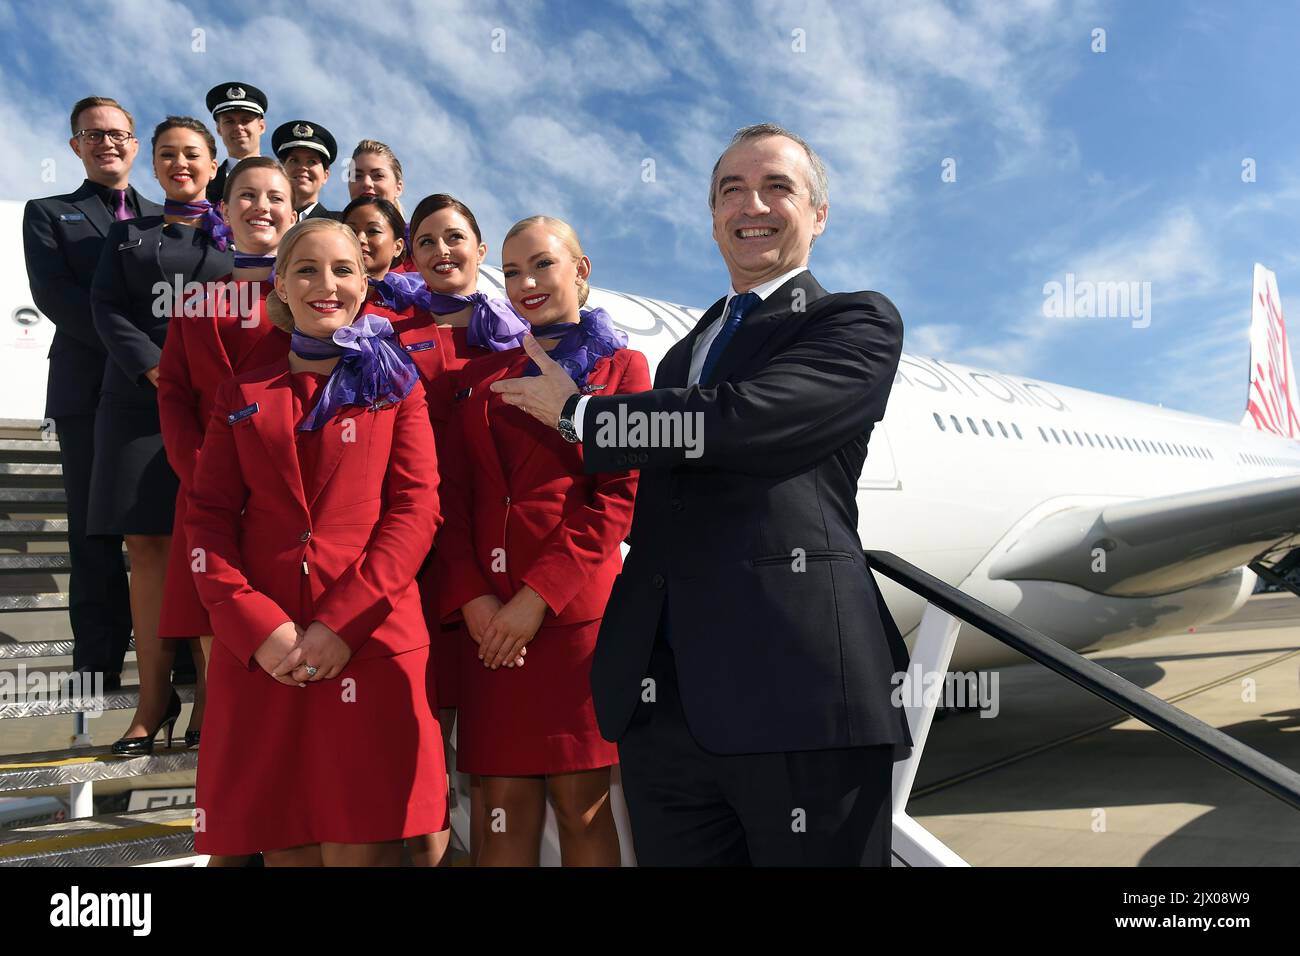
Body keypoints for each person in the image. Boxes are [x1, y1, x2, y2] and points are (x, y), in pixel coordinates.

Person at [490, 124, 912, 866]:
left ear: (818, 214)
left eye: (777, 186)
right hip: (668, 706)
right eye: (730, 191)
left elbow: (745, 421)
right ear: (713, 216)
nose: (752, 204)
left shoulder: (853, 320)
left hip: (797, 695)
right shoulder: (689, 350)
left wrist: (581, 413)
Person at [184, 218, 445, 865]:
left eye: (342, 269)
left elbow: (416, 510)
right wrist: (254, 627)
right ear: (281, 282)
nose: (325, 284)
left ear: (365, 283)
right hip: (267, 654)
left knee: (363, 849)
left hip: (371, 644)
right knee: (284, 848)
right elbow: (208, 516)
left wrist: (340, 622)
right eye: (306, 269)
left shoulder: (397, 385)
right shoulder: (241, 391)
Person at [436, 215, 648, 866]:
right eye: (513, 270)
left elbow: (619, 495)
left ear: (579, 271)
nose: (526, 281)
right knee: (502, 815)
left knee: (583, 813)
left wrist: (536, 599)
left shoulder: (621, 366)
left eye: (542, 264)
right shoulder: (477, 375)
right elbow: (452, 501)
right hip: (489, 629)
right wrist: (474, 601)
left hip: (572, 620)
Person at [90, 116, 233, 755]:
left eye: (193, 155)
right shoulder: (125, 236)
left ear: (212, 164)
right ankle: (153, 700)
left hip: (211, 410)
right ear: (153, 166)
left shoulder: (241, 241)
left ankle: (209, 695)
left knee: (207, 544)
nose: (180, 164)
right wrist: (156, 367)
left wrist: (190, 381)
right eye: (168, 155)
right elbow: (105, 308)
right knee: (146, 548)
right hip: (136, 405)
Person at [392, 193, 527, 864]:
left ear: (479, 249)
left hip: (489, 557)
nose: (442, 252)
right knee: (412, 733)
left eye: (455, 238)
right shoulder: (383, 331)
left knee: (491, 744)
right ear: (411, 258)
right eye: (426, 243)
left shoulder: (518, 334)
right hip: (409, 558)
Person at [156, 156, 295, 756]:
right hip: (209, 500)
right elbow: (175, 396)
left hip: (291, 503)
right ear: (224, 208)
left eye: (275, 197)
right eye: (247, 195)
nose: (261, 207)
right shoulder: (194, 304)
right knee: (224, 653)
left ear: (293, 212)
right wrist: (204, 477)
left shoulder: (318, 298)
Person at [22, 95, 159, 693]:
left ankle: (173, 658)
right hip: (88, 390)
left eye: (119, 134)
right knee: (93, 531)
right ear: (75, 145)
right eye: (94, 134)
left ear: (134, 144)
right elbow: (56, 296)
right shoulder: (49, 212)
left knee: (165, 528)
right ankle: (97, 667)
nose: (108, 143)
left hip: (158, 395)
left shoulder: (166, 218)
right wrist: (137, 350)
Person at [203, 82, 267, 205]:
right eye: (229, 121)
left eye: (245, 120)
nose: (238, 127)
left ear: (261, 126)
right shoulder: (204, 184)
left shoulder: (284, 180)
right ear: (218, 129)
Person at [341, 195, 406, 302]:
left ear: (398, 247)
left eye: (373, 231)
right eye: (351, 230)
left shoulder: (412, 305)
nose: (359, 238)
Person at [271, 120, 338, 221]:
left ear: (326, 175)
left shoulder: (342, 224)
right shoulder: (265, 221)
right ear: (281, 169)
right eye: (294, 160)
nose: (302, 167)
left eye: (312, 161)